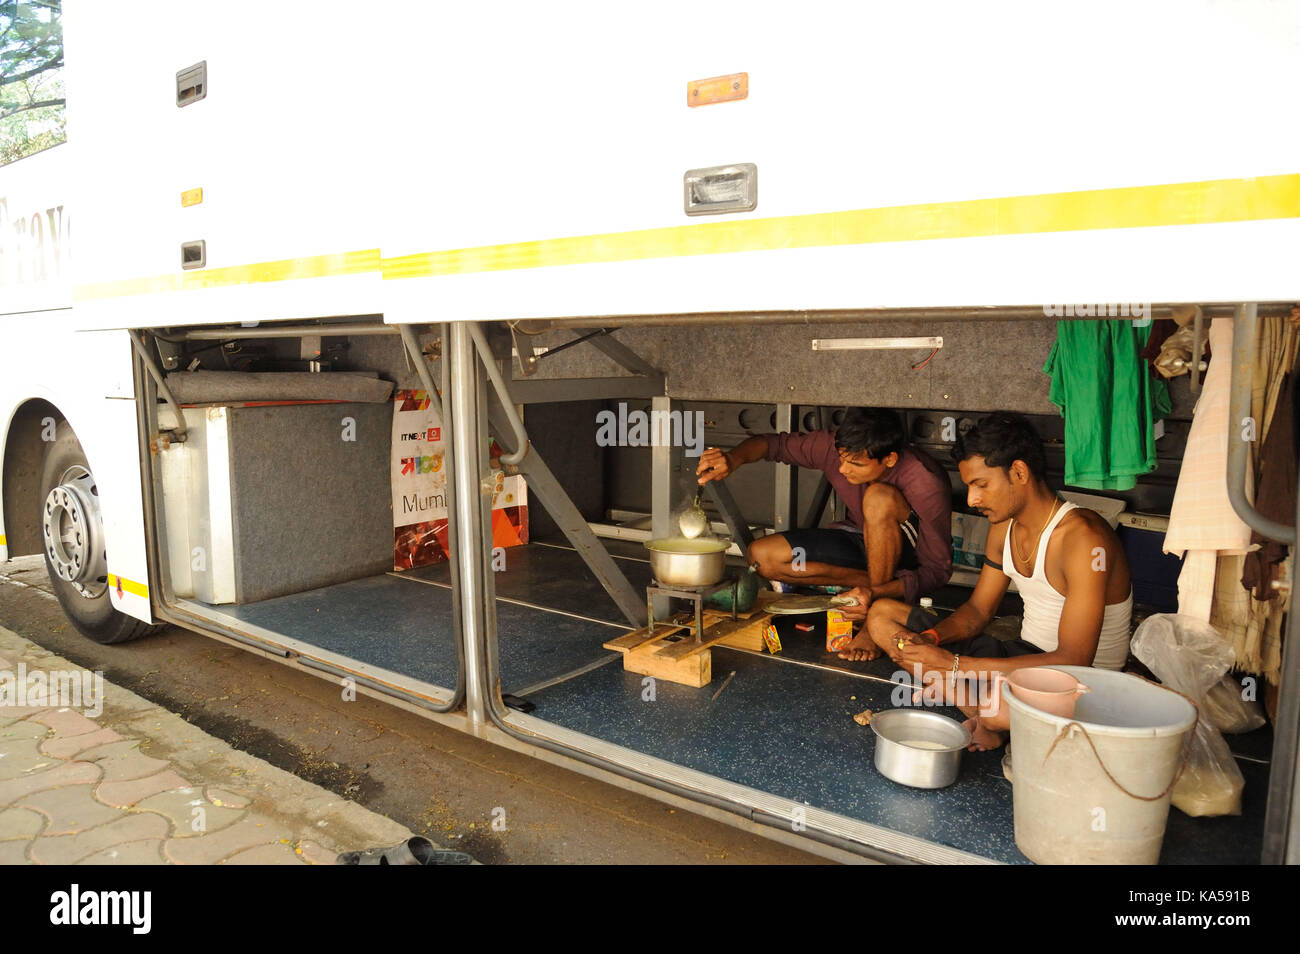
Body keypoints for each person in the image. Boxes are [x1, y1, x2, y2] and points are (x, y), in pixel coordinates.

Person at [836, 412, 1133, 750]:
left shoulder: (1084, 537)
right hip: (1022, 657)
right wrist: (931, 639)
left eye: (981, 484)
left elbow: (1075, 658)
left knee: (995, 707)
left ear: (1019, 472)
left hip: (1080, 680)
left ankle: (987, 717)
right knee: (882, 616)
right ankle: (993, 718)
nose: (973, 500)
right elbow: (977, 611)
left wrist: (955, 665)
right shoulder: (1003, 527)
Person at [694, 407, 951, 607]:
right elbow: (772, 444)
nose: (842, 469)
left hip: (903, 557)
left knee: (877, 497)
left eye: (856, 465)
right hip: (857, 542)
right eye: (840, 459)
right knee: (762, 557)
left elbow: (937, 571)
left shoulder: (924, 480)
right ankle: (874, 587)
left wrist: (899, 586)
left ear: (890, 459)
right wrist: (733, 458)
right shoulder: (832, 447)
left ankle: (875, 604)